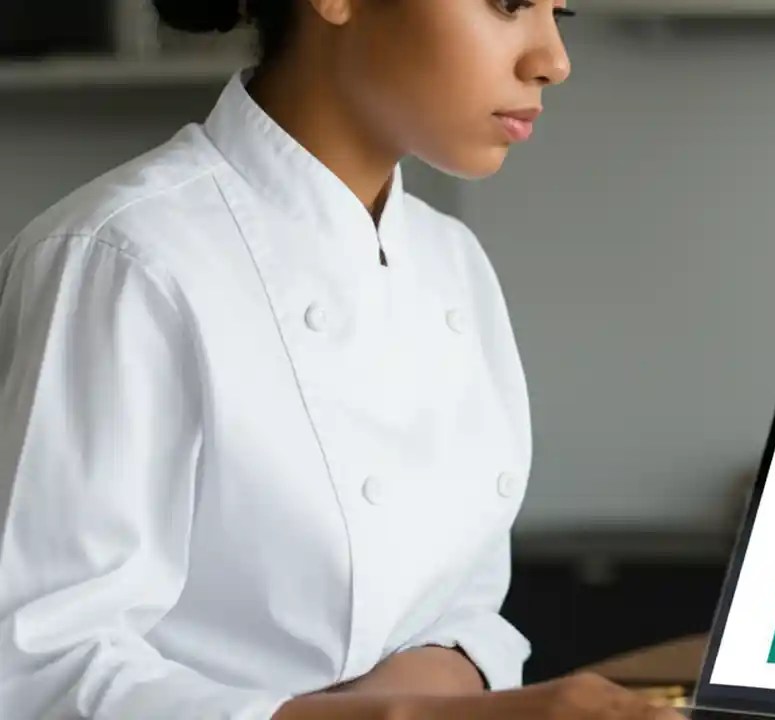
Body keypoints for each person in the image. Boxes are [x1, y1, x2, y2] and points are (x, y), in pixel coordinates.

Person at [0, 1, 682, 719]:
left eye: (560, 12)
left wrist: (438, 693)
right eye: (508, 4)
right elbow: (36, 671)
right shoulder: (120, 258)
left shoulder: (452, 260)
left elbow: (465, 610)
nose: (552, 59)